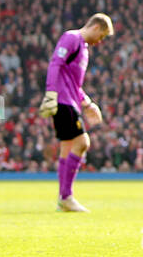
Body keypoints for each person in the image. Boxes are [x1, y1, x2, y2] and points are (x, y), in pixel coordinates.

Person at [38, 13, 114, 212]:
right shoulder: (72, 38)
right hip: (63, 101)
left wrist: (87, 103)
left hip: (70, 100)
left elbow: (74, 83)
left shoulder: (84, 48)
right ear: (96, 27)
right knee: (82, 142)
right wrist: (51, 93)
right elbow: (56, 62)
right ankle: (66, 196)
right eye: (102, 36)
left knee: (67, 147)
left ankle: (63, 199)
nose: (100, 41)